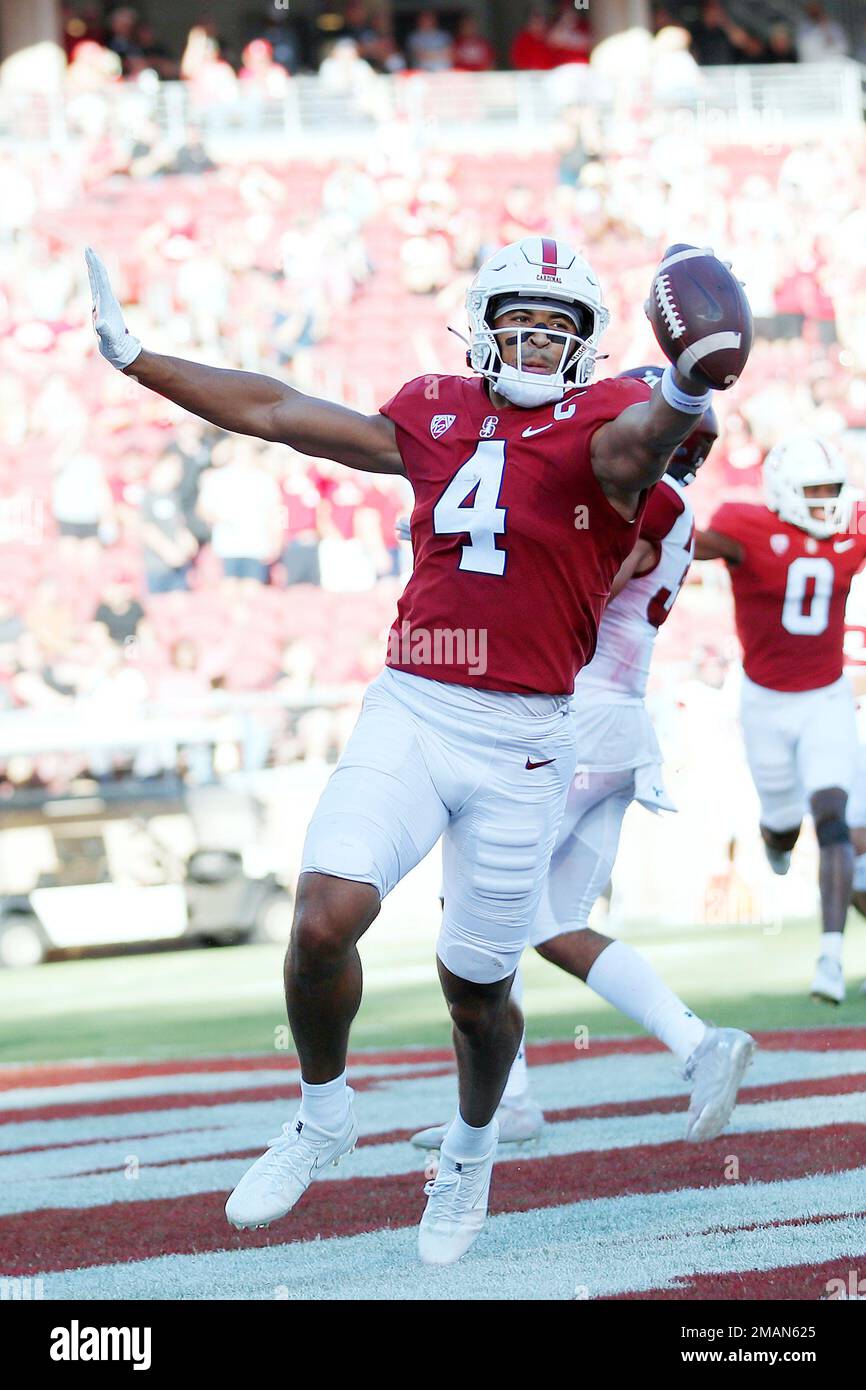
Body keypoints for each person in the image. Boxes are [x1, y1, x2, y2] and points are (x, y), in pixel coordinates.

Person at [86, 232, 746, 1266]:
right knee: (320, 916)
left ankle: (474, 1151)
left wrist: (690, 375)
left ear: (584, 346)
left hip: (526, 737)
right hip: (413, 704)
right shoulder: (434, 405)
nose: (533, 340)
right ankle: (320, 1114)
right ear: (481, 328)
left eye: (556, 326)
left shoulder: (600, 431)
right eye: (516, 321)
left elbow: (644, 442)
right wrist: (142, 359)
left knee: (476, 988)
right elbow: (280, 413)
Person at [411, 367, 755, 1152]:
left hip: (569, 716)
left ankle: (526, 1095)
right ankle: (562, 1085)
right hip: (617, 726)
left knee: (476, 906)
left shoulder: (649, 503)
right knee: (550, 921)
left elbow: (584, 584)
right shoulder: (672, 504)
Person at [695, 434, 866, 1004]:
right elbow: (685, 544)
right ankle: (776, 839)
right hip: (765, 701)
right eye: (814, 492)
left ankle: (831, 957)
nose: (827, 503)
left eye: (832, 491)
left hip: (826, 696)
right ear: (783, 494)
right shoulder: (745, 526)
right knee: (783, 825)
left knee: (834, 817)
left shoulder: (851, 527)